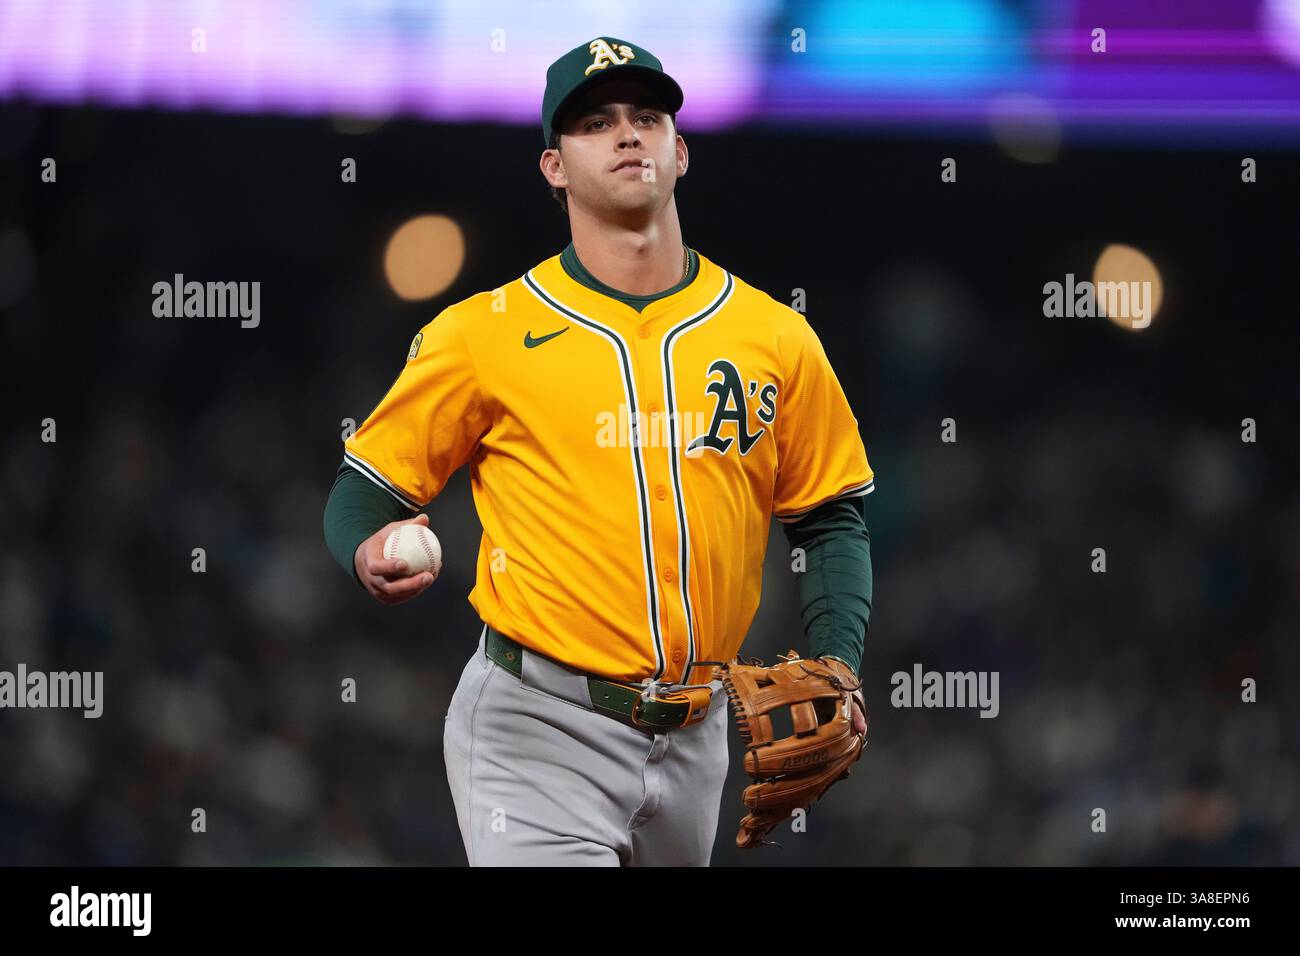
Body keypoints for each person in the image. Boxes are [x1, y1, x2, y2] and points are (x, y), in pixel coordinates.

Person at [323, 36, 875, 866]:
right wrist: (367, 547)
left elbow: (830, 518)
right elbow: (365, 489)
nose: (627, 135)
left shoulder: (775, 336)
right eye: (595, 122)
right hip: (536, 725)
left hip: (699, 737)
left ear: (679, 152)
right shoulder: (485, 334)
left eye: (646, 117)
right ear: (554, 165)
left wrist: (838, 662)